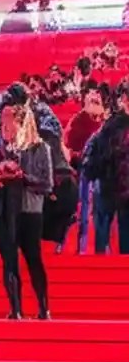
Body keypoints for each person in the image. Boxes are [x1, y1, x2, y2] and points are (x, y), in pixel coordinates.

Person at [0, 104, 53, 319]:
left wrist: (23, 177)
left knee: (33, 258)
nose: (6, 128)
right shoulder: (1, 150)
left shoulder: (40, 148)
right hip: (5, 211)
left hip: (30, 210)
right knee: (9, 259)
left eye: (10, 122)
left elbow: (47, 184)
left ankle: (44, 309)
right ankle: (15, 309)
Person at [80, 81, 129, 255]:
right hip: (110, 185)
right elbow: (100, 155)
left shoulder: (110, 126)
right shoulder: (111, 126)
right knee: (106, 234)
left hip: (116, 188)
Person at [66, 88, 106, 255]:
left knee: (102, 213)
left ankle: (102, 248)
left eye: (97, 98)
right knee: (84, 209)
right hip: (85, 171)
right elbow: (68, 145)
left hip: (105, 174)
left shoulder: (108, 122)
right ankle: (83, 248)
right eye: (91, 98)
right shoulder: (77, 121)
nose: (95, 100)